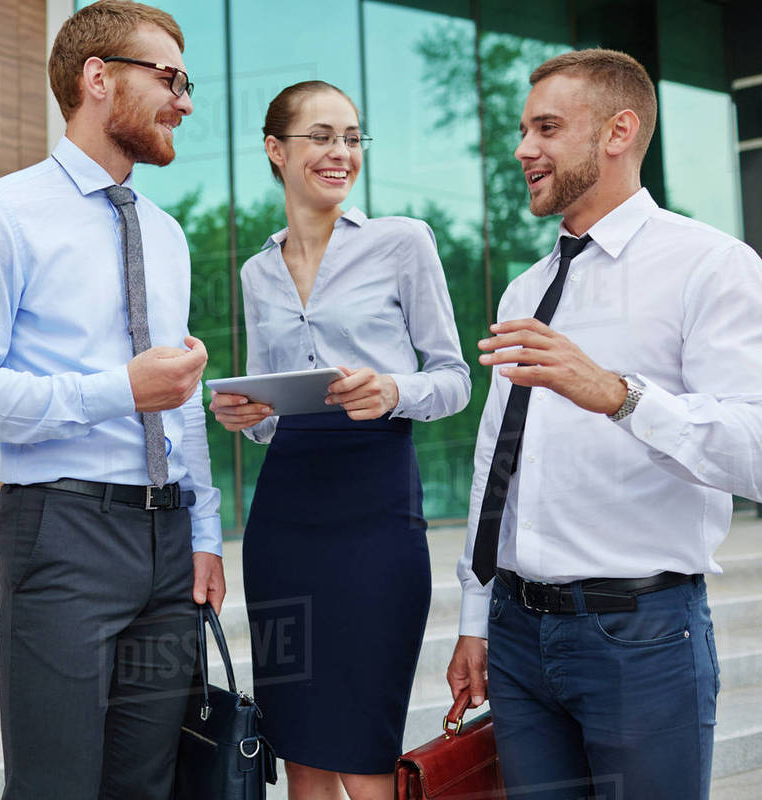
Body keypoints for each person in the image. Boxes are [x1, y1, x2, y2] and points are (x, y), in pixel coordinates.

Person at [446, 48, 762, 800]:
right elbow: (494, 462)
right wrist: (477, 616)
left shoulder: (711, 266)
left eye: (546, 127)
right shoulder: (526, 287)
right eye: (522, 129)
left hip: (638, 636)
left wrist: (620, 396)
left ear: (617, 131)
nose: (522, 150)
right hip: (515, 634)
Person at [0, 1, 222, 797]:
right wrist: (118, 391)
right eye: (171, 79)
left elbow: (179, 391)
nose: (185, 102)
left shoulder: (166, 232)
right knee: (54, 784)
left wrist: (206, 529)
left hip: (167, 542)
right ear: (98, 78)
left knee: (147, 782)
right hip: (61, 534)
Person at [210, 80, 470, 800]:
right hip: (287, 516)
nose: (340, 152)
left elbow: (453, 379)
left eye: (352, 137)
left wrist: (393, 391)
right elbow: (270, 412)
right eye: (321, 136)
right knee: (302, 749)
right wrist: (248, 414)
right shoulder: (256, 270)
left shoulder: (402, 242)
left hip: (375, 507)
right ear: (276, 150)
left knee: (362, 746)